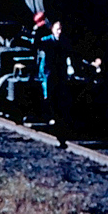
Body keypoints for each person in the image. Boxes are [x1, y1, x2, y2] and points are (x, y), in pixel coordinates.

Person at [33, 11, 70, 142]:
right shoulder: (47, 41)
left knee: (60, 95)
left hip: (60, 72)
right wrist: (37, 29)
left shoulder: (64, 42)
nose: (59, 31)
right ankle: (49, 117)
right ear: (52, 30)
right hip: (48, 72)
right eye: (57, 29)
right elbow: (36, 43)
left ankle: (58, 119)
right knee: (48, 94)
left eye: (61, 29)